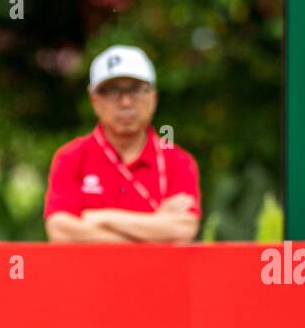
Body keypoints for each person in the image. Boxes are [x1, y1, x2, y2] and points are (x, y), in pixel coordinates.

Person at [44, 46, 201, 243]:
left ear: (153, 97)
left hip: (160, 275)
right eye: (112, 91)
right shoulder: (71, 156)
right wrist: (155, 229)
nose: (126, 102)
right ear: (94, 100)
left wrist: (101, 218)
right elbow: (60, 231)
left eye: (136, 89)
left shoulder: (178, 160)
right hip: (88, 274)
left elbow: (184, 228)